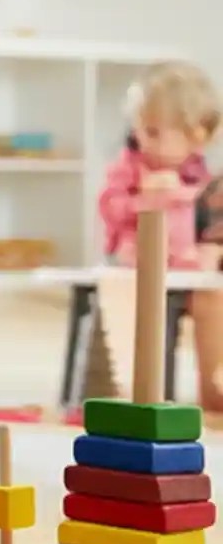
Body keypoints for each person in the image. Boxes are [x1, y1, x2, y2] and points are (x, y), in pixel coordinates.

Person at [93, 61, 223, 409]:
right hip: (136, 267)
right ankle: (148, 392)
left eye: (153, 132)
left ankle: (215, 390)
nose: (141, 140)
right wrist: (144, 199)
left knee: (215, 301)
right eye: (139, 130)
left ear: (197, 136)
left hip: (188, 270)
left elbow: (210, 223)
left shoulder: (203, 176)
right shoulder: (129, 166)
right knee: (143, 311)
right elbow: (109, 208)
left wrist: (210, 250)